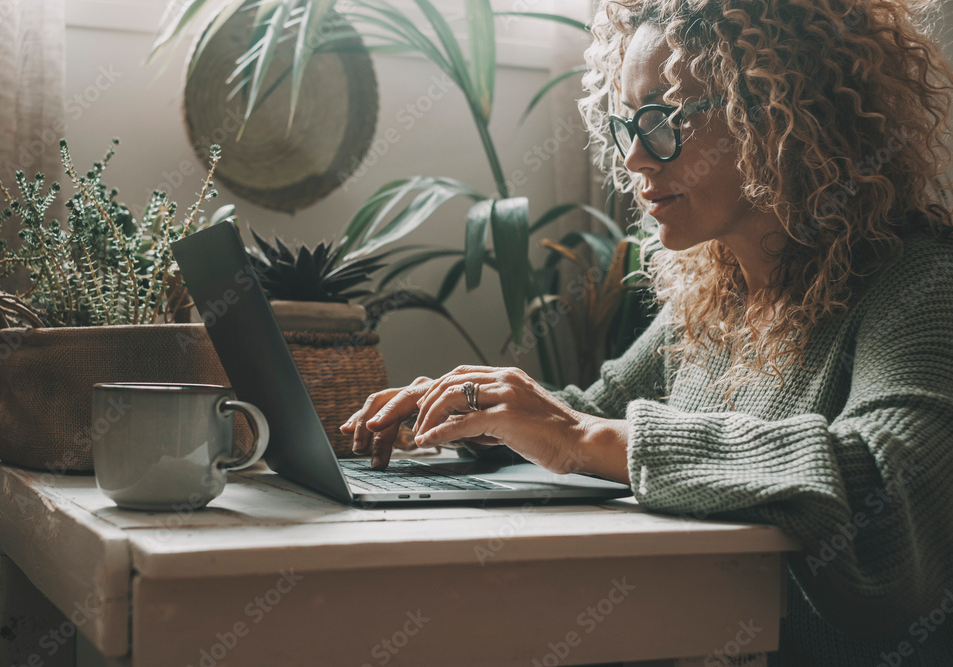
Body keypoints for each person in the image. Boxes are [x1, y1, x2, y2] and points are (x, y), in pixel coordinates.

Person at [342, 0, 953, 664]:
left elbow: (894, 495)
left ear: (775, 112)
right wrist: (475, 409)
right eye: (628, 123)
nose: (635, 156)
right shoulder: (712, 290)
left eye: (663, 118)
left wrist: (579, 437)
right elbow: (594, 411)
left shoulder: (919, 282)